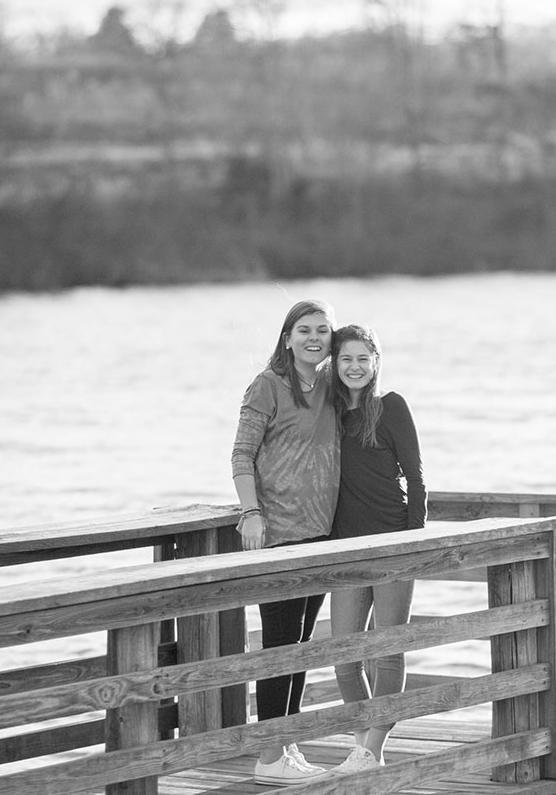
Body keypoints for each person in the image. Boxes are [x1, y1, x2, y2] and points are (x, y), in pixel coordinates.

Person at [230, 299, 340, 786]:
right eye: (304, 330)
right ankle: (268, 757)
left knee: (300, 646)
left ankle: (287, 745)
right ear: (287, 338)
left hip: (321, 533)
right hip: (278, 535)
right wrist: (251, 513)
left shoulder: (332, 384)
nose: (314, 338)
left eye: (322, 330)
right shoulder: (268, 385)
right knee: (279, 646)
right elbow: (242, 454)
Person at [325, 324, 426, 775]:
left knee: (388, 651)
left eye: (363, 359)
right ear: (335, 364)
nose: (355, 367)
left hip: (392, 544)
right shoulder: (327, 411)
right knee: (344, 658)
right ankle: (362, 745)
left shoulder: (391, 406)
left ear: (376, 362)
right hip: (345, 549)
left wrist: (411, 543)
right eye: (346, 359)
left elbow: (417, 480)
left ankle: (372, 750)